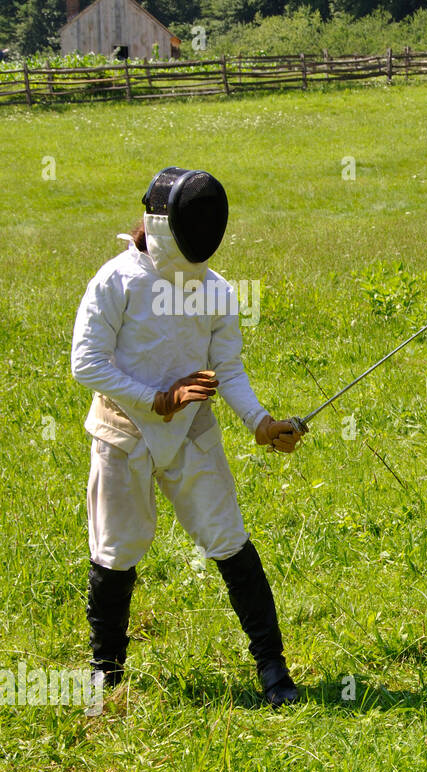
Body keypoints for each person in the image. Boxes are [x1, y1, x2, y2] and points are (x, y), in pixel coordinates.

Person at [70, 167, 304, 707]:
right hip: (123, 432)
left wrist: (262, 423)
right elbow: (85, 363)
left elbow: (229, 369)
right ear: (161, 224)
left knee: (229, 540)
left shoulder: (215, 290)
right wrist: (156, 398)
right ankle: (104, 673)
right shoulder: (116, 280)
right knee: (115, 551)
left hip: (192, 431)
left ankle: (274, 671)